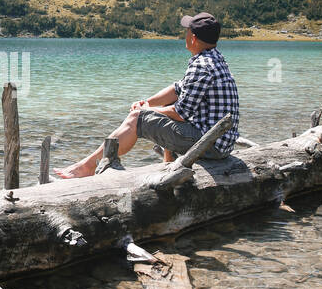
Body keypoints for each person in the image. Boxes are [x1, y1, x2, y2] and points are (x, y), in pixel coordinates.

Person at [54, 11, 240, 178]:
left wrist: (145, 111)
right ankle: (167, 164)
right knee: (153, 113)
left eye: (187, 31)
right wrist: (147, 102)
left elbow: (180, 113)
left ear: (193, 38)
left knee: (138, 119)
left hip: (210, 146)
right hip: (220, 143)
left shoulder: (200, 66)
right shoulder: (215, 59)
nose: (185, 35)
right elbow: (177, 88)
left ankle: (87, 166)